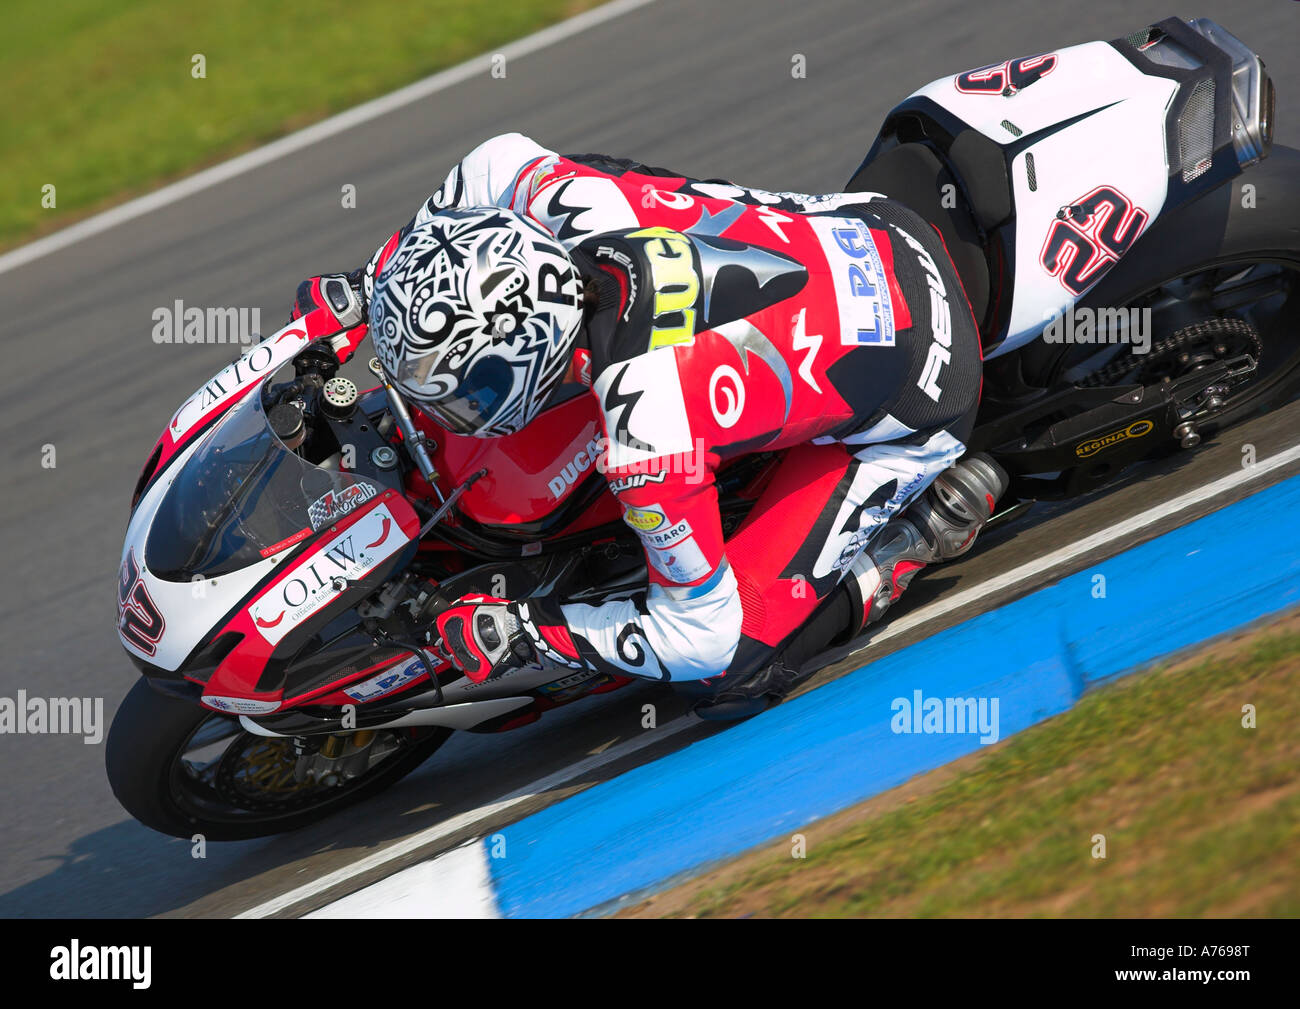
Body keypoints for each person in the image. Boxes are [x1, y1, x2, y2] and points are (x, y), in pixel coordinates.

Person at [290, 133, 1006, 719]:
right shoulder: (565, 199)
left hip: (920, 388)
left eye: (461, 397)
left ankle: (910, 540)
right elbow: (489, 161)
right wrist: (381, 281)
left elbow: (700, 635)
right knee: (616, 174)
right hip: (867, 231)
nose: (438, 417)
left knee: (732, 673)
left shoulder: (646, 430)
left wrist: (530, 632)